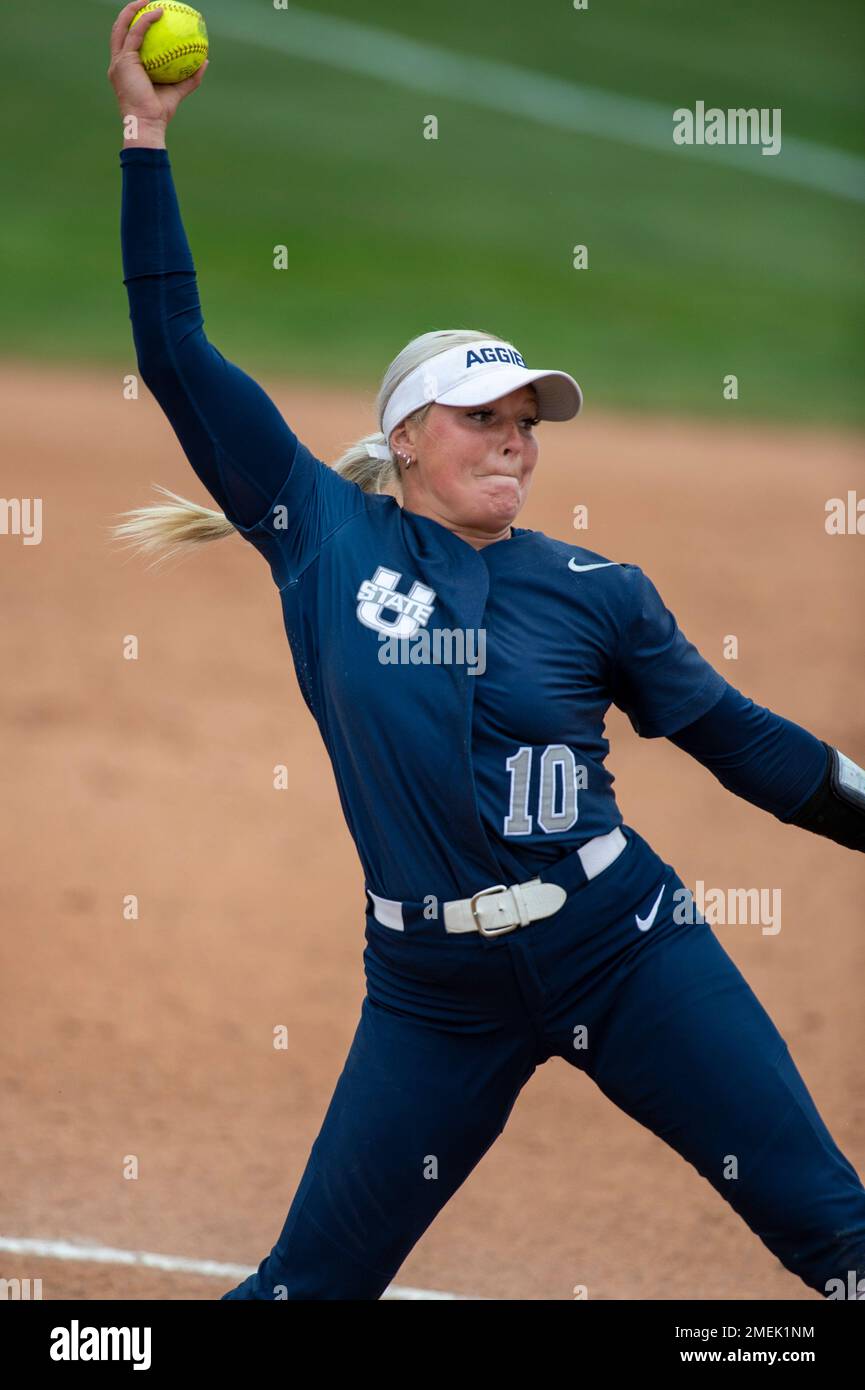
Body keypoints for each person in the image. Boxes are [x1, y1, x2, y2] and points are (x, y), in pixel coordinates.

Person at [108, 1, 865, 1300]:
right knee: (306, 1289)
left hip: (625, 943)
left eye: (528, 418)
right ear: (404, 440)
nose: (513, 437)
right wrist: (143, 139)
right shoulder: (316, 534)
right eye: (479, 417)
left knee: (840, 1241)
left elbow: (739, 742)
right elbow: (174, 355)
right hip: (432, 990)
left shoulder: (594, 590)